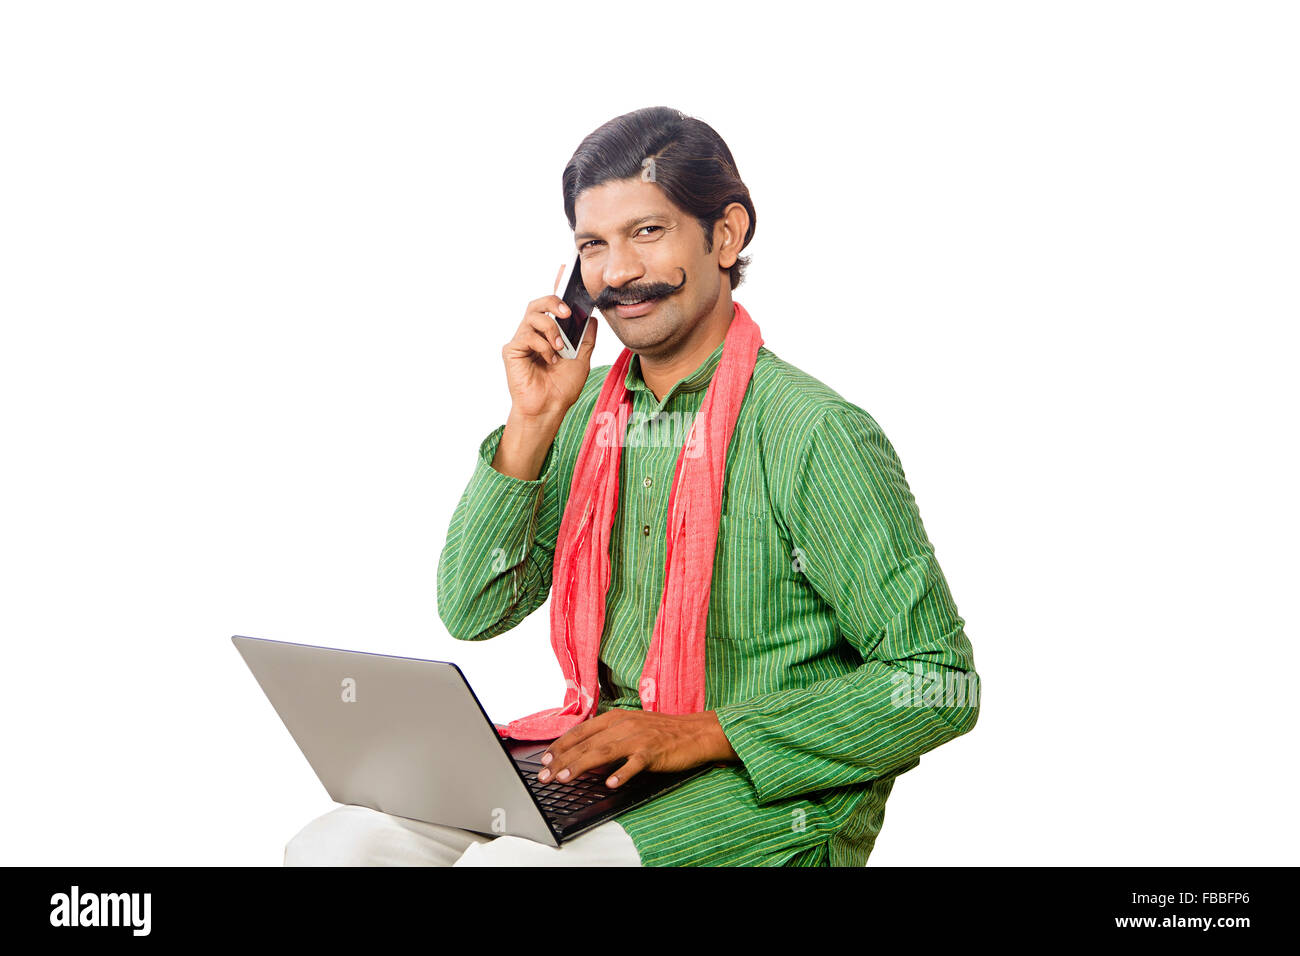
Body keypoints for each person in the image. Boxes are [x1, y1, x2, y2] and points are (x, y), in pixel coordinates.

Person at [284, 106, 980, 867]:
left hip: (772, 791)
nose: (616, 273)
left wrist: (698, 732)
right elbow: (473, 609)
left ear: (725, 235)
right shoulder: (583, 416)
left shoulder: (813, 433)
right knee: (337, 845)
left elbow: (940, 682)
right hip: (610, 760)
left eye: (646, 232)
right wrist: (530, 423)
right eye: (593, 244)